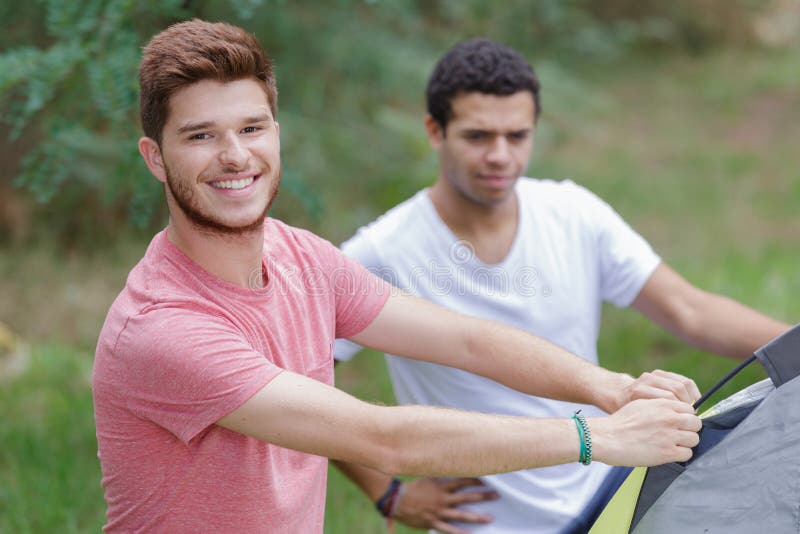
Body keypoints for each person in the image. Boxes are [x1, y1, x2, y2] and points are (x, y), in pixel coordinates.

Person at [91, 20, 703, 533]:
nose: (234, 155)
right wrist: (599, 437)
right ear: (155, 158)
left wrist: (612, 388)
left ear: (276, 136)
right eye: (201, 136)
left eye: (251, 129)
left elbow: (467, 340)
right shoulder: (162, 329)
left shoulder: (302, 258)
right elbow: (382, 439)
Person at [332, 38, 791, 533]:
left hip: (608, 485)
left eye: (517, 135)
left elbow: (689, 310)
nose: (500, 155)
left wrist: (797, 346)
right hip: (486, 520)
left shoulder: (573, 214)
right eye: (478, 136)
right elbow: (306, 373)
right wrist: (389, 493)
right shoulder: (381, 251)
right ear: (434, 131)